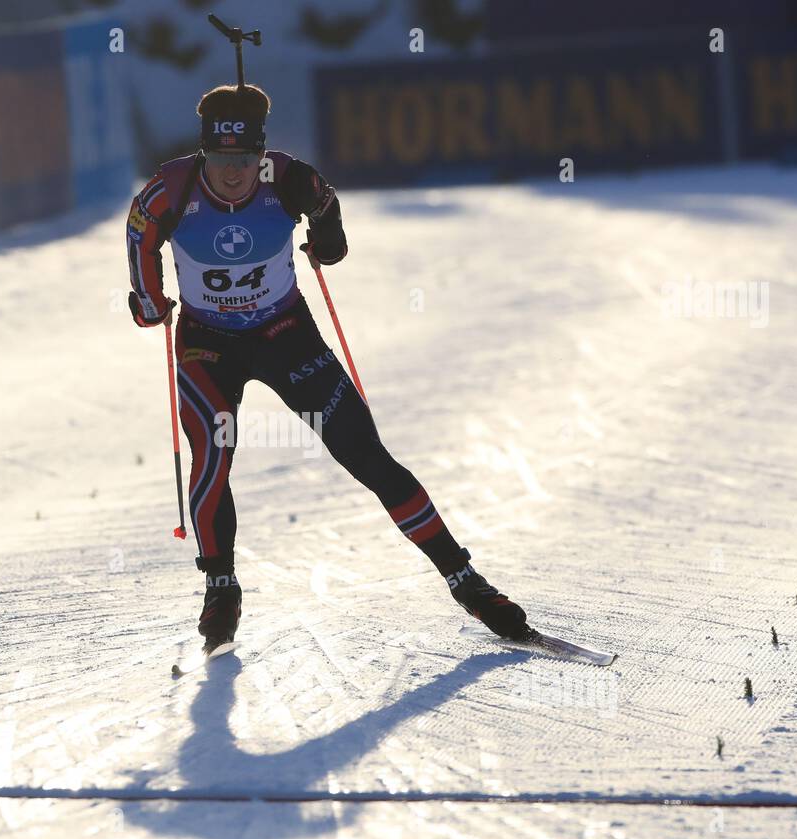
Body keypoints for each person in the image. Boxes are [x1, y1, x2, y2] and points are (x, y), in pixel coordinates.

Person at [125, 83, 527, 652]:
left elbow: (326, 204)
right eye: (221, 160)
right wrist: (148, 297)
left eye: (244, 160)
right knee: (213, 454)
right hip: (207, 345)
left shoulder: (287, 178)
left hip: (285, 335)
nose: (233, 173)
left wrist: (329, 238)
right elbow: (140, 234)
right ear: (204, 153)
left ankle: (466, 580)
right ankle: (220, 585)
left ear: (260, 154)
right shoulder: (172, 186)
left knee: (366, 455)